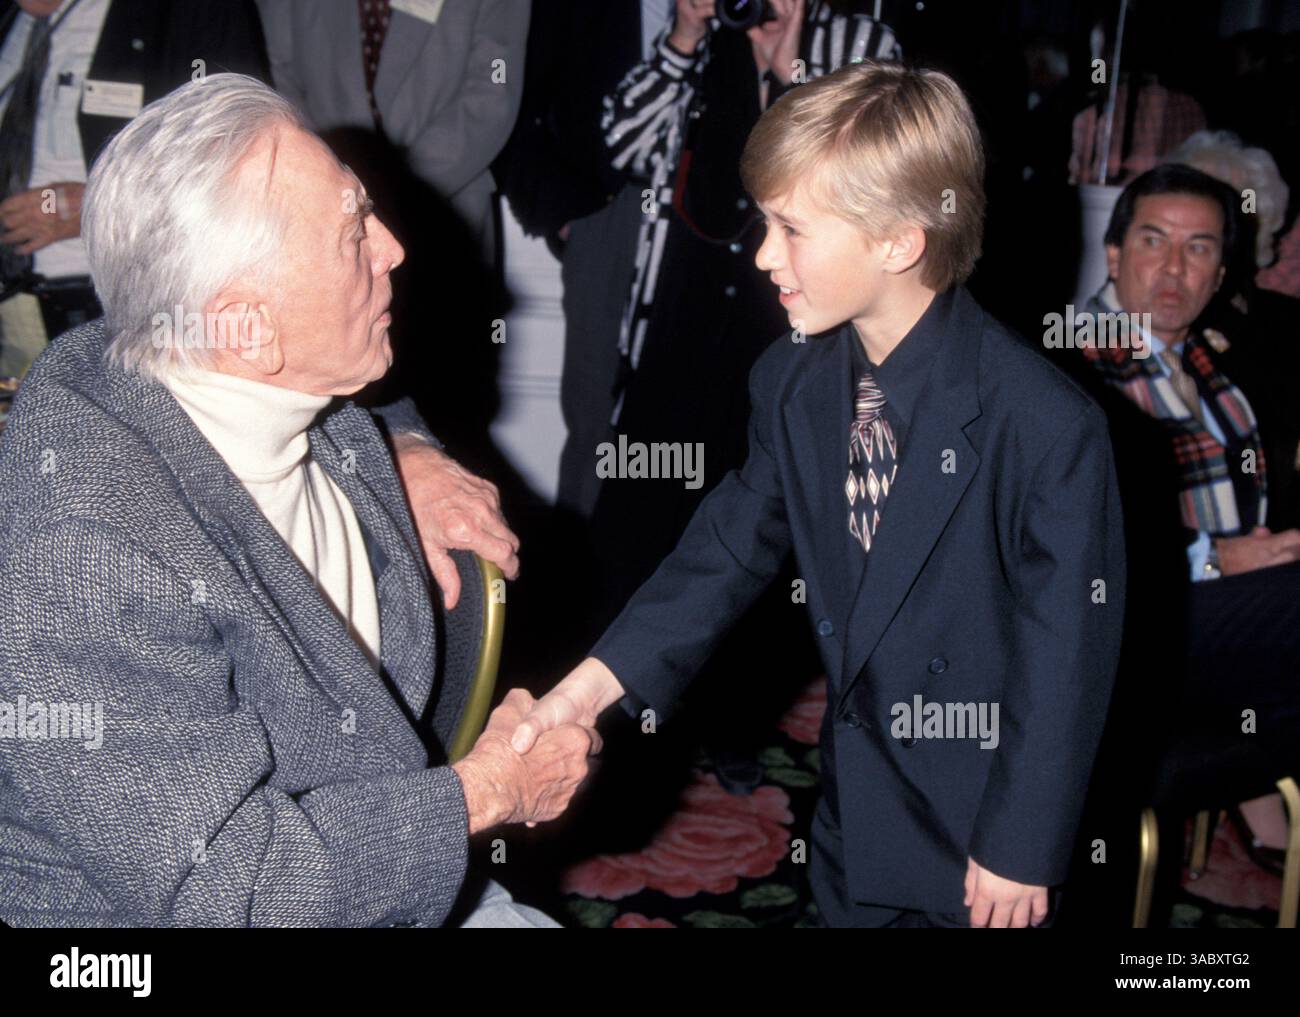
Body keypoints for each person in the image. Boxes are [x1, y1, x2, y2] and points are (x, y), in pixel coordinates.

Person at [512, 60, 1127, 928]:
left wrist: (1021, 844)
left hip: (988, 834)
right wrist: (579, 696)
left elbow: (1065, 653)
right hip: (857, 815)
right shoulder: (793, 383)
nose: (762, 254)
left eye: (790, 229)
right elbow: (717, 558)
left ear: (899, 241)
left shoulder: (1045, 423)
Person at [0, 74, 590, 927]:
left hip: (378, 840)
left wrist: (409, 446)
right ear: (247, 326)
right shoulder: (88, 551)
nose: (392, 247)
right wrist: (485, 791)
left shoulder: (187, 351)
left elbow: (360, 387)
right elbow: (237, 891)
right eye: (352, 234)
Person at [1067, 164, 1300, 877]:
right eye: (1152, 240)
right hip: (1138, 621)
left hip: (1243, 603)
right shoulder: (1074, 367)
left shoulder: (1215, 351)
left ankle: (1259, 765)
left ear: (1221, 268)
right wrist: (1208, 557)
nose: (1174, 266)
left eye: (1199, 247)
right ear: (1113, 256)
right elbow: (1072, 542)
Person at [0, 0, 271, 377]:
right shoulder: (13, 20)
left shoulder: (189, 12)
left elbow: (242, 149)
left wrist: (104, 207)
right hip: (16, 310)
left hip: (127, 314)